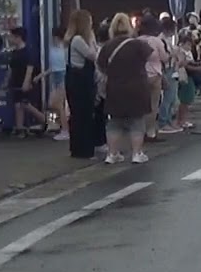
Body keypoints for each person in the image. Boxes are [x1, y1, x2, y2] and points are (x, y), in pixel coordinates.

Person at [97, 13, 153, 164]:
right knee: (137, 122)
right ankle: (137, 153)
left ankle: (112, 154)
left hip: (115, 88)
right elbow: (150, 58)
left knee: (114, 122)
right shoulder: (138, 45)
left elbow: (101, 67)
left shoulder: (107, 47)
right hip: (137, 87)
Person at [63, 11, 100, 159]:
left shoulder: (71, 39)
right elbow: (93, 55)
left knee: (78, 115)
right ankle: (84, 150)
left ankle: (78, 148)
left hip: (75, 80)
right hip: (81, 82)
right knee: (83, 115)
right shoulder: (78, 40)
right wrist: (92, 40)